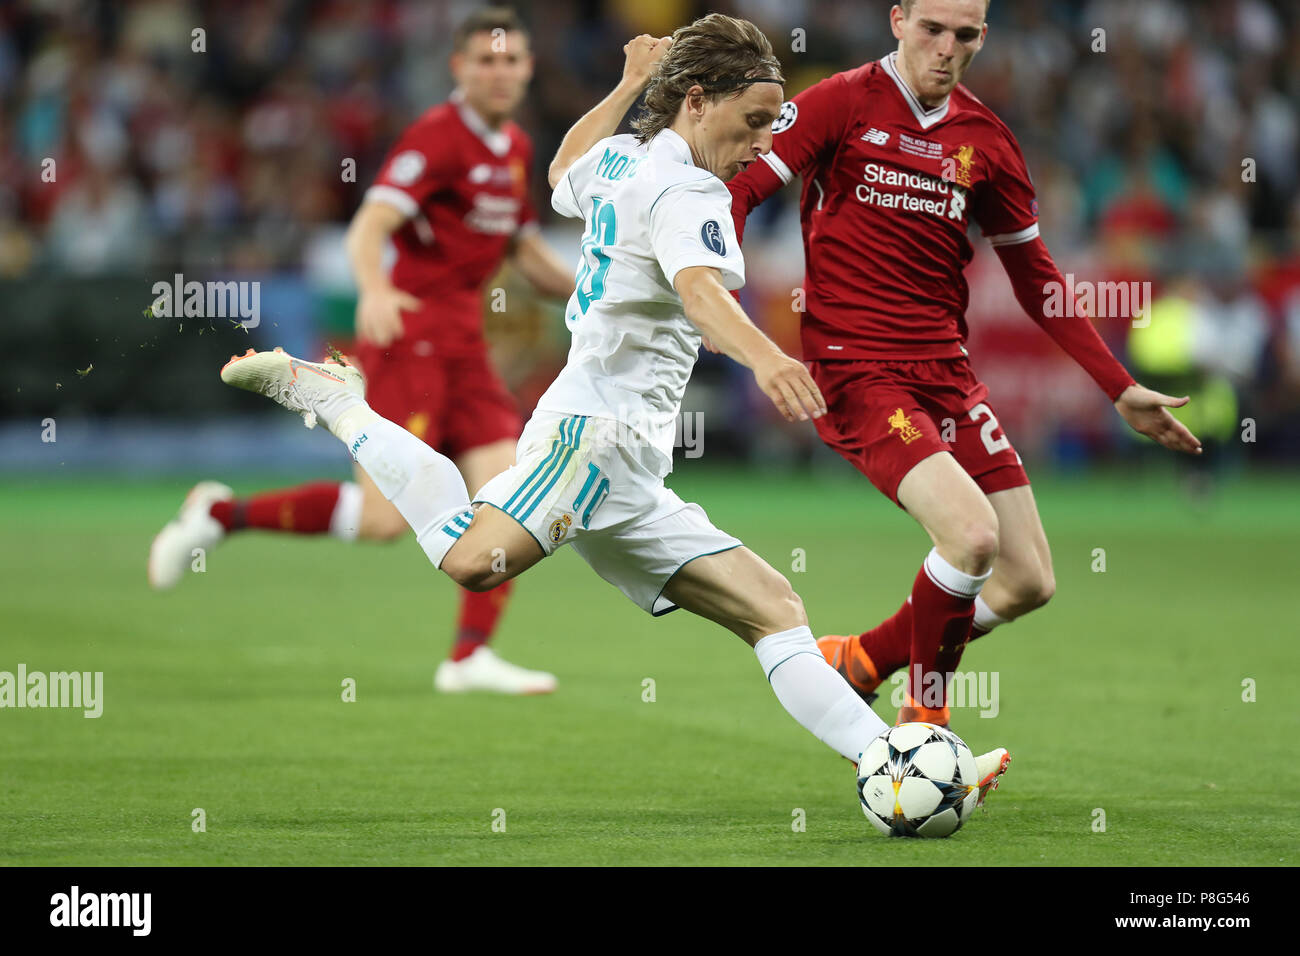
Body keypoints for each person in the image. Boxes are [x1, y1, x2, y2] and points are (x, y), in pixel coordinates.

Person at [218, 14, 1013, 801]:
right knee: (469, 561)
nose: (768, 143)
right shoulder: (690, 191)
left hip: (631, 468)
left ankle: (902, 765)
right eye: (755, 121)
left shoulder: (623, 158)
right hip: (591, 440)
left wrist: (630, 87)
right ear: (697, 102)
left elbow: (564, 165)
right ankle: (335, 402)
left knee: (775, 609)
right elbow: (701, 293)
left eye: (773, 124)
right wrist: (768, 355)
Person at [725, 0, 1203, 726]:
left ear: (983, 36)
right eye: (932, 29)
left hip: (945, 374)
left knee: (1027, 581)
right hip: (857, 370)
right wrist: (731, 317)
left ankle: (860, 660)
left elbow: (1036, 278)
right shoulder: (840, 101)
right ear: (897, 21)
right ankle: (925, 726)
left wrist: (1120, 387)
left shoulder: (987, 139)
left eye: (965, 34)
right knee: (972, 536)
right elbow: (739, 194)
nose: (946, 48)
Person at [149, 8, 576, 695]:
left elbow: (525, 251)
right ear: (459, 69)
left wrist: (596, 298)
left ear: (528, 69)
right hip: (409, 336)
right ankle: (220, 514)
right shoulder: (437, 137)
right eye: (486, 61)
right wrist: (375, 287)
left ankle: (467, 657)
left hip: (466, 344)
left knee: (506, 498)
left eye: (512, 61)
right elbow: (372, 220)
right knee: (380, 520)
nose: (500, 72)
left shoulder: (517, 146)